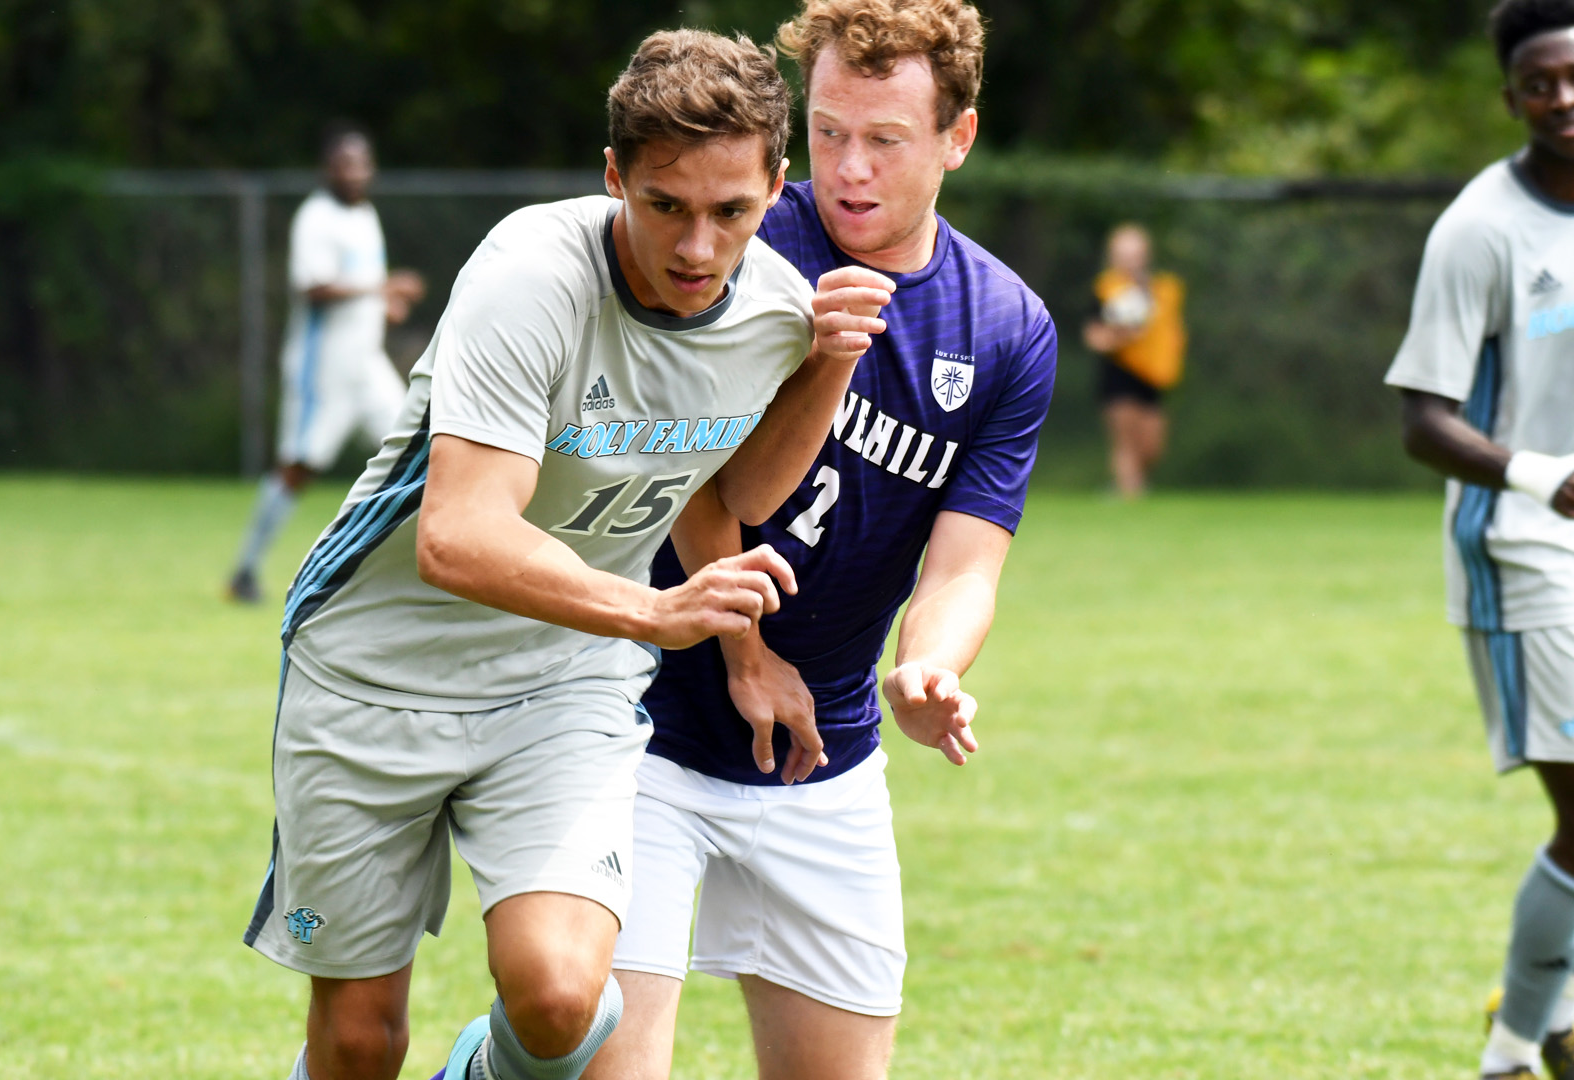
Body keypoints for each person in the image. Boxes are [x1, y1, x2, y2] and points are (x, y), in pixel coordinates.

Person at [236, 29, 896, 1080]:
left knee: (560, 999)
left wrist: (825, 364)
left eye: (731, 212)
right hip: (375, 670)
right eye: (665, 205)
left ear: (778, 184)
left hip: (562, 681)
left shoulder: (778, 310)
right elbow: (457, 537)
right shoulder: (530, 272)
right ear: (613, 179)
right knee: (362, 1039)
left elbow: (735, 493)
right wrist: (657, 615)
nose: (696, 247)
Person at [586, 2, 1057, 1078]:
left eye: (886, 140)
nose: (850, 168)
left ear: (957, 139)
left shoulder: (1007, 328)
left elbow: (966, 561)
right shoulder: (734, 231)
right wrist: (747, 654)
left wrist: (929, 667)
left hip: (823, 749)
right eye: (831, 130)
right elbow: (684, 474)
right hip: (635, 721)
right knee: (603, 1058)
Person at [1384, 1, 1574, 1076]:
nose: (1564, 98)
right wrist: (1547, 478)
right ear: (1512, 97)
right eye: (1541, 81)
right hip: (1525, 551)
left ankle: (1542, 1023)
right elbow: (1424, 420)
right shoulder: (1479, 227)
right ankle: (1515, 1048)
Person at [226, 124, 425, 604]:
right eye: (345, 164)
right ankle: (245, 571)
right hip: (324, 371)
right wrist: (380, 289)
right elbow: (312, 287)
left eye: (362, 164)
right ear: (328, 170)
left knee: (420, 454)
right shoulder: (316, 217)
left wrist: (384, 307)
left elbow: (361, 290)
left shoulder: (365, 215)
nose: (355, 173)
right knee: (300, 467)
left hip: (366, 366)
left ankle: (397, 578)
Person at [1083, 222, 1183, 499]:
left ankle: (1128, 487)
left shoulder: (1164, 289)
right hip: (1119, 373)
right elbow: (1094, 336)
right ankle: (1130, 496)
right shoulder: (1105, 289)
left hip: (1153, 376)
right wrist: (1121, 337)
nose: (1129, 260)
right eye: (1122, 253)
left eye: (1134, 253)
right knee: (1125, 442)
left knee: (1151, 447)